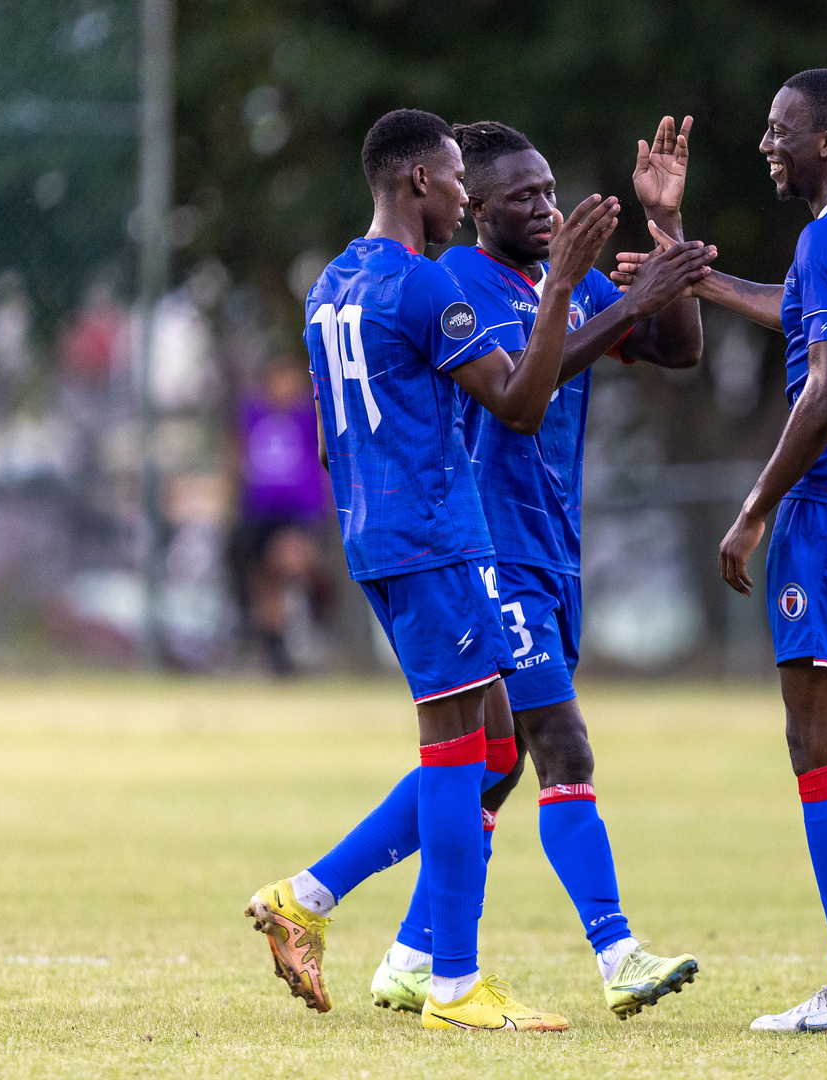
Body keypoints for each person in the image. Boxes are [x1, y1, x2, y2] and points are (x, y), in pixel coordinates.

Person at [244, 107, 620, 1033]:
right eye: (455, 178)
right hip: (434, 540)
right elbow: (521, 405)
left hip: (376, 536)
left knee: (494, 748)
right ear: (419, 182)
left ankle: (312, 895)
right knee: (458, 753)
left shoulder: (331, 283)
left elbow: (336, 444)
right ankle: (452, 982)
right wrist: (561, 285)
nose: (463, 193)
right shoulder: (424, 290)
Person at [614, 68, 827, 1035]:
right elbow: (804, 309)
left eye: (780, 130)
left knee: (816, 742)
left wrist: (755, 507)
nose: (765, 142)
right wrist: (680, 256)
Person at [364, 117, 718, 1021]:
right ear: (470, 204)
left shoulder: (558, 279)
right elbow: (524, 386)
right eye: (524, 196)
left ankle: (409, 952)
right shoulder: (458, 284)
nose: (548, 208)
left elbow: (678, 350)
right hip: (493, 550)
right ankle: (617, 952)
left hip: (555, 546)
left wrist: (664, 232)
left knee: (494, 768)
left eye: (551, 189)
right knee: (562, 747)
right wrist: (612, 306)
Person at [234, 357, 334, 675]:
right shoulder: (252, 413)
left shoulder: (308, 415)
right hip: (260, 511)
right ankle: (275, 652)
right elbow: (238, 457)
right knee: (266, 583)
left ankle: (317, 612)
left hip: (299, 511)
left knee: (290, 559)